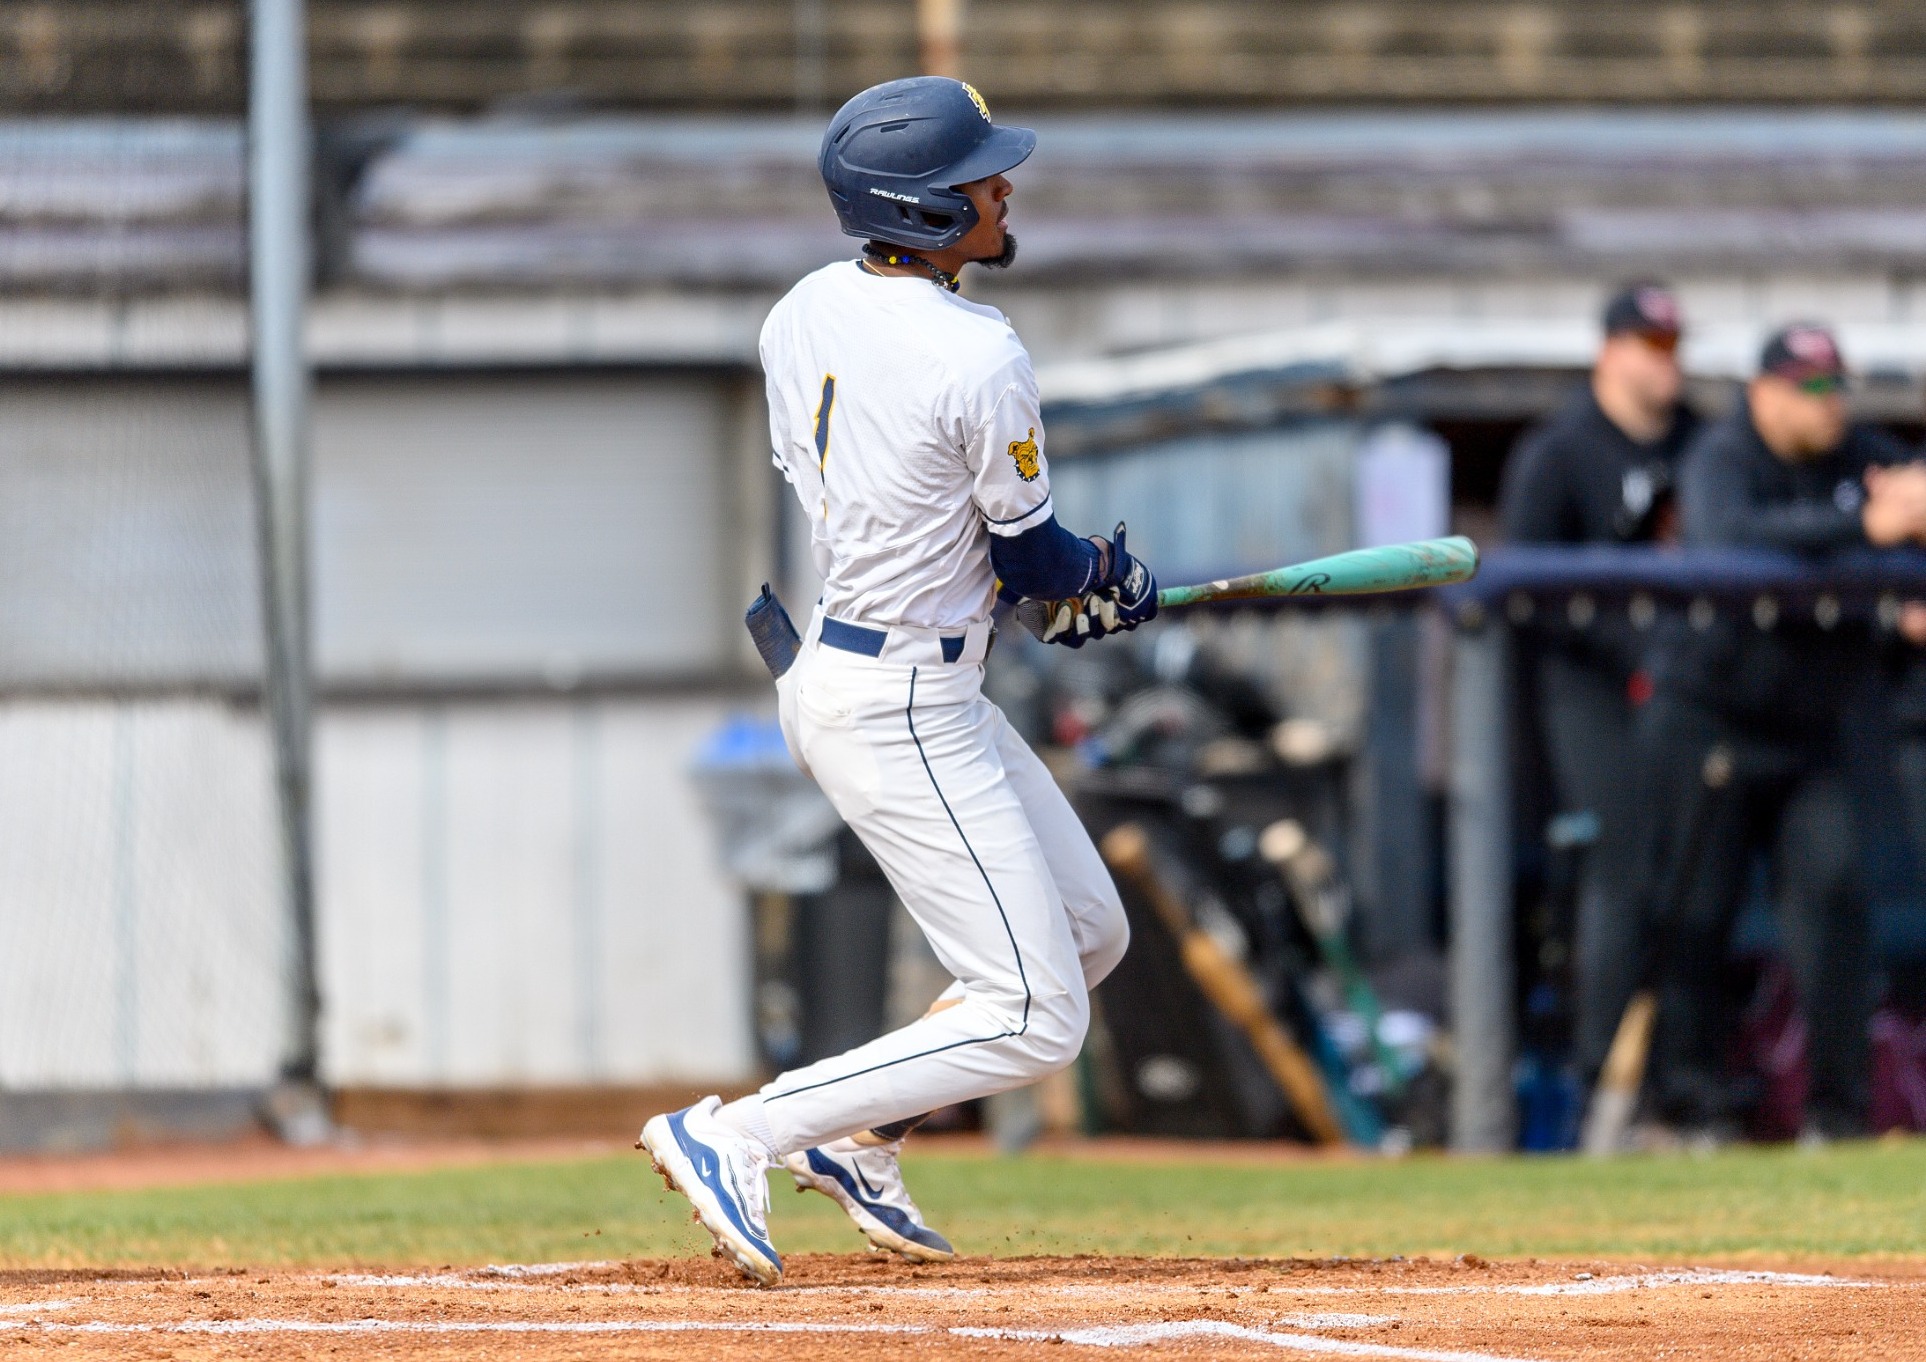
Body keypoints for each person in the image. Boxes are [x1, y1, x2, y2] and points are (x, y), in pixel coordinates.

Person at [638, 77, 1151, 1285]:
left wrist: (1058, 587)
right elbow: (1029, 555)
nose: (1003, 187)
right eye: (979, 178)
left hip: (876, 664)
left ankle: (864, 1141)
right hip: (901, 700)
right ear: (919, 211)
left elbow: (910, 508)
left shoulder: (802, 312)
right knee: (1035, 1015)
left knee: (1087, 932)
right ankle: (742, 1132)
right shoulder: (978, 352)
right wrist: (1097, 580)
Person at [1638, 322, 1926, 1141]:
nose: (1826, 403)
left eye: (1834, 386)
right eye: (1807, 388)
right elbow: (1735, 538)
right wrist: (1867, 528)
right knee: (1695, 912)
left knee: (1835, 899)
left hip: (1811, 729)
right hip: (1709, 718)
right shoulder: (1721, 454)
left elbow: (1911, 493)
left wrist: (1906, 510)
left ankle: (1839, 1116)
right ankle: (1686, 1104)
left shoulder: (1858, 453)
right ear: (1763, 392)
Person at [1499, 283, 1698, 1091]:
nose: (1666, 362)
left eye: (1673, 345)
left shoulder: (1700, 447)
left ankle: (1685, 1081)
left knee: (1690, 874)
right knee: (1617, 872)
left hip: (1686, 688)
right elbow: (1527, 595)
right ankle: (1598, 1077)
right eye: (1650, 346)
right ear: (1610, 350)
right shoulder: (1558, 451)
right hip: (1587, 689)